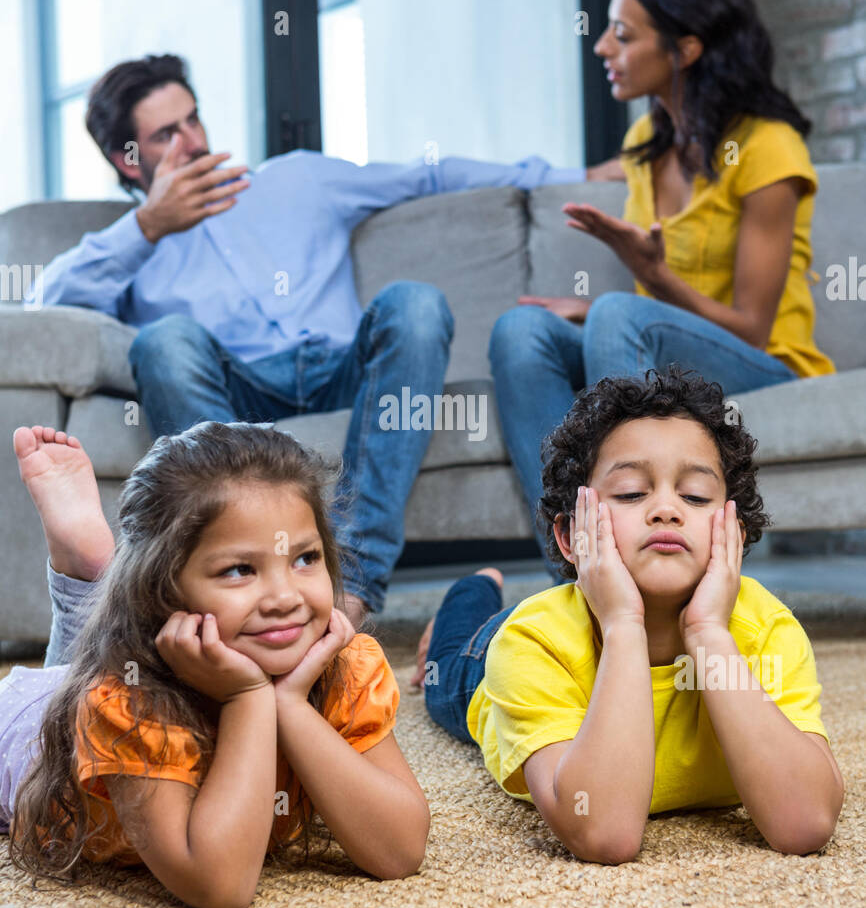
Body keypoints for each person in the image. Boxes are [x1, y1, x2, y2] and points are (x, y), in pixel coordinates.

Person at [30, 56, 619, 626]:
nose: (192, 142)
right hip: (238, 393)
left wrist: (577, 177)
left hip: (342, 369)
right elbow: (43, 306)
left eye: (193, 120)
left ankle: (354, 587)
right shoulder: (128, 248)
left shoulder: (297, 178)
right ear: (127, 160)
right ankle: (245, 568)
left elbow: (429, 173)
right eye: (165, 135)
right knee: (164, 339)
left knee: (414, 304)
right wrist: (148, 227)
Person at [490, 0, 834, 565]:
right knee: (522, 331)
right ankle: (575, 572)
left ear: (687, 48)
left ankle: (633, 564)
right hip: (667, 355)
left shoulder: (767, 148)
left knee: (620, 314)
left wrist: (649, 278)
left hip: (767, 363)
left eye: (623, 35)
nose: (602, 49)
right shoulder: (647, 140)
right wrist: (591, 310)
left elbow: (751, 329)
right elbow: (650, 315)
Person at [2, 421, 430, 908]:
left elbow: (400, 850)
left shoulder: (342, 667)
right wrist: (248, 697)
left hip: (129, 657)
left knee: (93, 654)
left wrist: (289, 703)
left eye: (305, 558)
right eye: (238, 570)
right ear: (160, 591)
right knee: (76, 678)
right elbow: (220, 885)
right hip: (26, 731)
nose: (286, 597)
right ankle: (84, 577)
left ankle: (89, 578)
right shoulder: (126, 703)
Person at [421, 367, 844, 863]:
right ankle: (473, 589)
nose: (666, 509)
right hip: (492, 657)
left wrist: (708, 633)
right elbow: (604, 833)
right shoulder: (530, 644)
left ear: (736, 531)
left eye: (694, 496)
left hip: (599, 611)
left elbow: (805, 822)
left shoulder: (767, 630)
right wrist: (623, 626)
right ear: (570, 536)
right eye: (629, 494)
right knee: (446, 667)